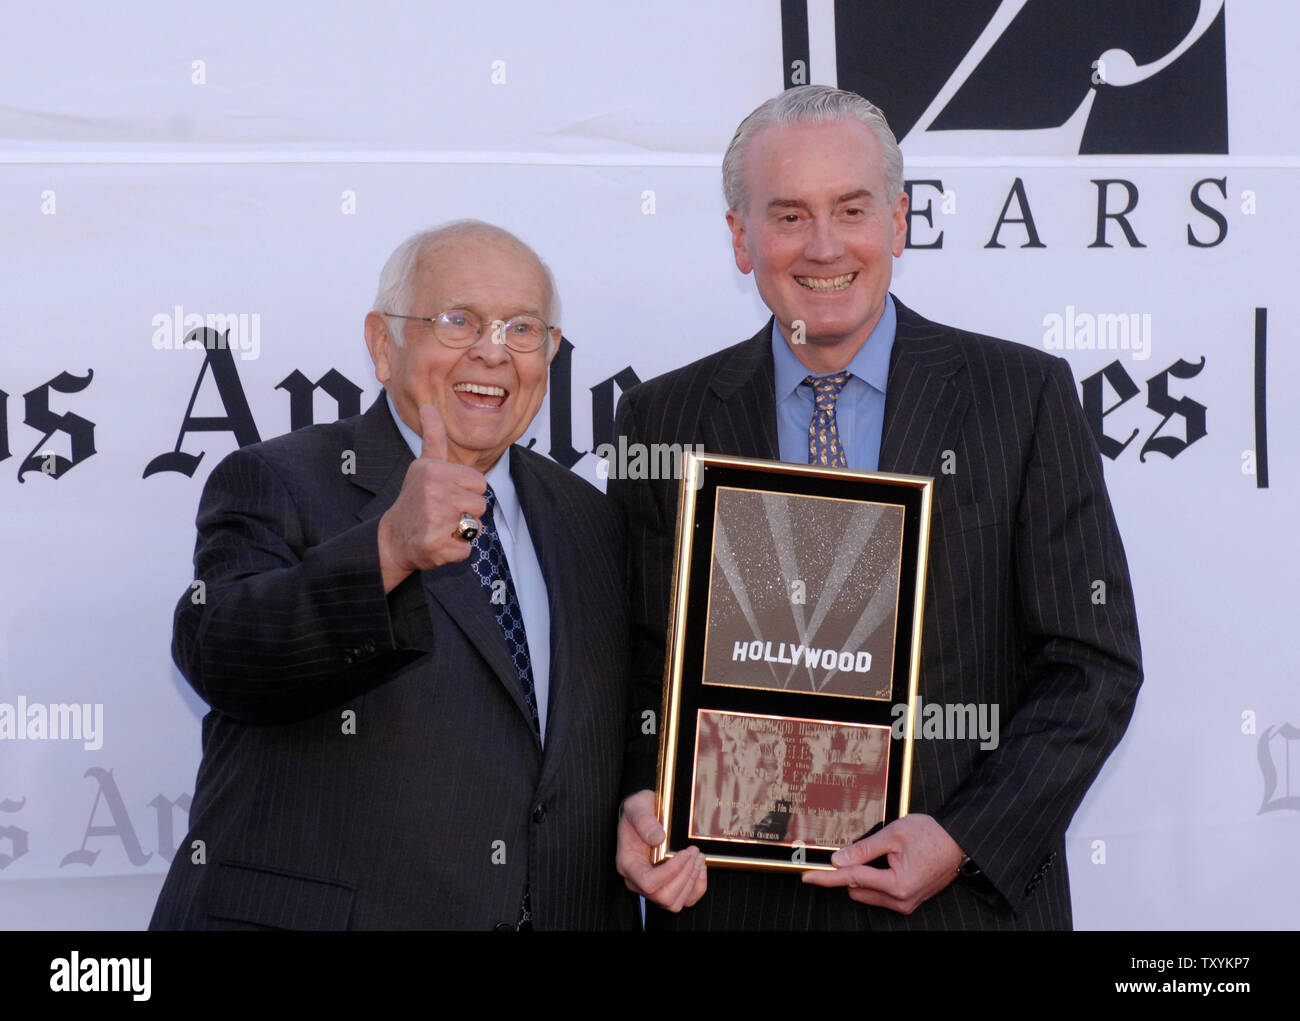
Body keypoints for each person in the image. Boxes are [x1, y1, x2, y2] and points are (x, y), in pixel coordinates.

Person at [609, 86, 1143, 930]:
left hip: (962, 905)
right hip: (739, 905)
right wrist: (644, 792)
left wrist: (964, 835)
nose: (825, 246)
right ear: (741, 239)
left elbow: (1093, 663)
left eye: (851, 209)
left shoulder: (1024, 397)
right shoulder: (663, 420)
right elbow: (642, 662)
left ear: (898, 220)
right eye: (788, 216)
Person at [150, 220, 638, 930]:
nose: (493, 351)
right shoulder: (279, 480)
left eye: (522, 328)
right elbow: (221, 653)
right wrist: (388, 549)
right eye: (459, 320)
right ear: (383, 344)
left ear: (550, 353)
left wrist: (640, 798)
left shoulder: (589, 520)